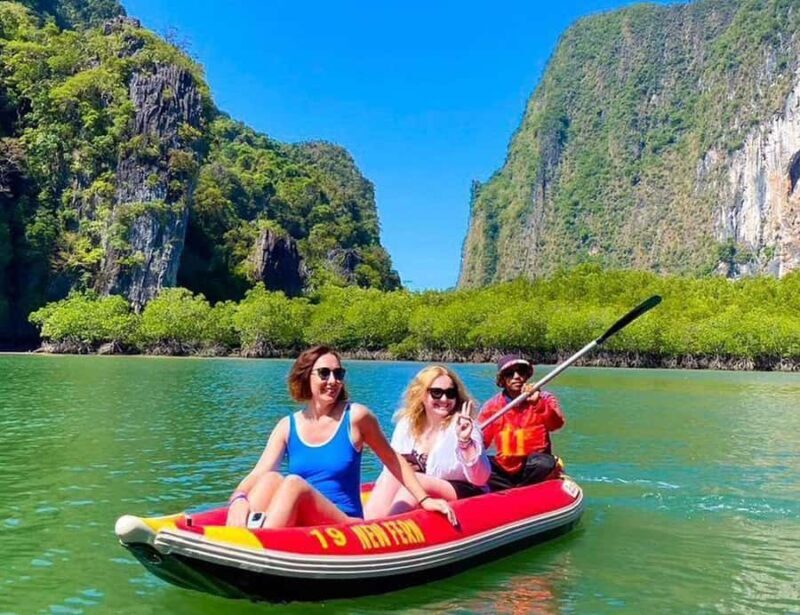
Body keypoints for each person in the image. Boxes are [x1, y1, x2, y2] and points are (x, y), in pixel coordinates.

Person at [226, 346, 456, 529]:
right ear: (306, 377)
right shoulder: (287, 426)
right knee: (271, 480)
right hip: (303, 522)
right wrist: (238, 498)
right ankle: (237, 540)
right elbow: (259, 472)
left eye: (339, 373)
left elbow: (393, 460)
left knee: (294, 484)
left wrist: (425, 500)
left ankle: (261, 548)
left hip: (344, 524)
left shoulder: (356, 417)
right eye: (324, 373)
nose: (333, 380)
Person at [364, 365, 491, 519]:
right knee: (392, 473)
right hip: (423, 488)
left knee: (415, 480)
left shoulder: (464, 425)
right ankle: (366, 526)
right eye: (436, 393)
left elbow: (480, 478)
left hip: (465, 488)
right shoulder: (407, 424)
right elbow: (394, 464)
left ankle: (390, 528)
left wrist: (465, 442)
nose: (444, 399)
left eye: (450, 393)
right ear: (422, 394)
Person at [477, 354, 565, 491]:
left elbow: (556, 424)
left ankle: (518, 489)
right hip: (505, 467)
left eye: (521, 372)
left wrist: (538, 404)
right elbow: (481, 442)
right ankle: (513, 489)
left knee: (544, 463)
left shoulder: (544, 398)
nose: (517, 376)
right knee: (479, 463)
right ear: (502, 379)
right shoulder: (491, 407)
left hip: (533, 466)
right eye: (510, 373)